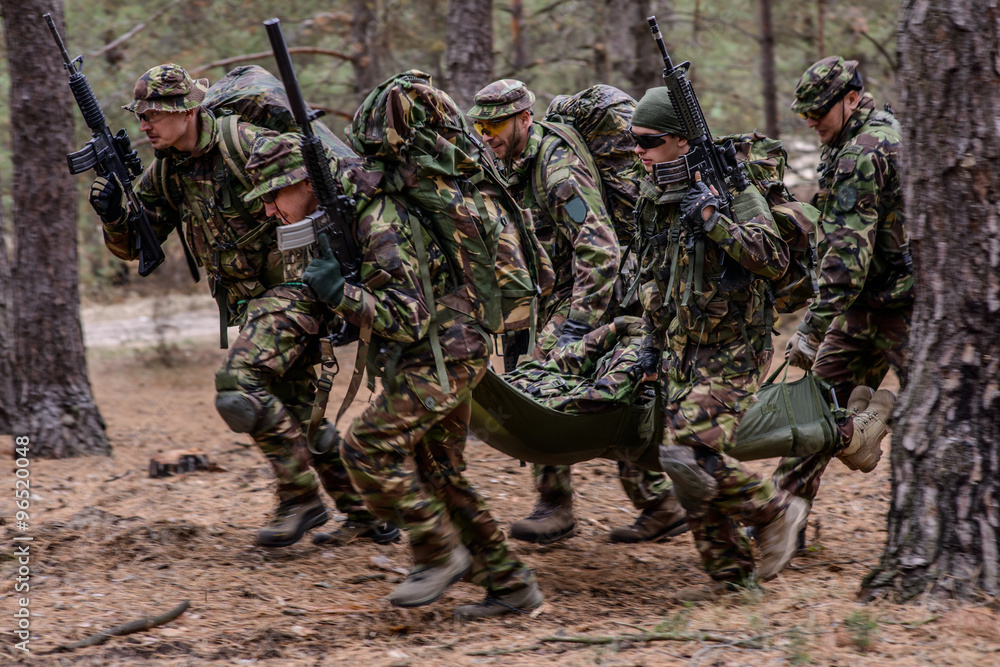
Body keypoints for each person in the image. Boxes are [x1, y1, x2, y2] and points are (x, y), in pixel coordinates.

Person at [241, 123, 543, 618]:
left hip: (448, 350)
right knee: (440, 473)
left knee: (367, 447)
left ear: (304, 181)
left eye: (274, 194)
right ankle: (511, 585)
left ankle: (437, 553)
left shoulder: (376, 218)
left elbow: (411, 313)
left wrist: (343, 294)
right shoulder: (341, 220)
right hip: (431, 351)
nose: (269, 209)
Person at [87, 64, 394, 548]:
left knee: (239, 384)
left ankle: (300, 499)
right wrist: (112, 218)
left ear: (187, 111)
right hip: (251, 303)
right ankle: (369, 515)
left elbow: (329, 182)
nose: (144, 125)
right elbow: (136, 248)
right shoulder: (167, 169)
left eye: (153, 115)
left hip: (300, 288)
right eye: (140, 116)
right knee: (300, 413)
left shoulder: (248, 144)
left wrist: (352, 269)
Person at [629, 87, 809, 599]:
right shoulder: (654, 196)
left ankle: (775, 508)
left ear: (682, 141)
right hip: (681, 348)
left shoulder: (731, 189)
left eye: (649, 140)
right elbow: (654, 278)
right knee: (691, 473)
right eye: (632, 140)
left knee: (685, 457)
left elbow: (772, 259)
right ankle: (734, 583)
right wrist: (650, 346)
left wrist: (714, 220)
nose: (638, 150)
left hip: (733, 349)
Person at [771, 56, 912, 518]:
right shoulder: (850, 136)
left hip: (904, 307)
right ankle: (779, 519)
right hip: (865, 304)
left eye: (819, 111)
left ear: (851, 98)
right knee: (816, 411)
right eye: (805, 112)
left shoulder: (863, 151)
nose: (811, 120)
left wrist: (811, 332)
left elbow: (846, 262)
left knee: (939, 416)